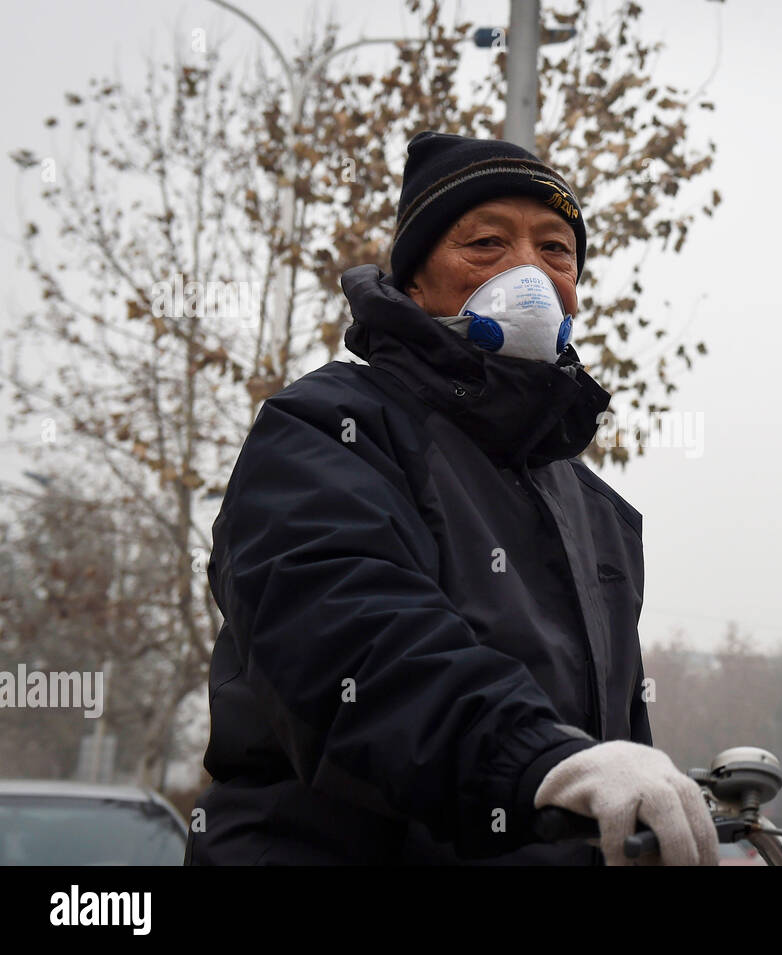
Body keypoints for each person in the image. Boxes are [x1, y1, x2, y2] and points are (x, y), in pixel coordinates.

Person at [184, 131, 719, 866]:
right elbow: (358, 648)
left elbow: (611, 760)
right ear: (414, 283)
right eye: (487, 243)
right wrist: (538, 760)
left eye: (556, 250)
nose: (529, 271)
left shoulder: (598, 514)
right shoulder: (326, 429)